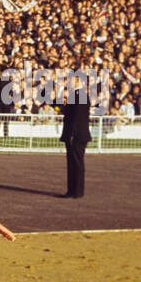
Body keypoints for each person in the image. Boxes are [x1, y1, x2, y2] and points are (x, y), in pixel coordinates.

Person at [57, 70, 93, 198]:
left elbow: (78, 117)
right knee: (72, 163)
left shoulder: (80, 95)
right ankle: (72, 190)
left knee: (76, 163)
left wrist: (72, 134)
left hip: (76, 135)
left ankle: (76, 191)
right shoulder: (76, 95)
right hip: (75, 134)